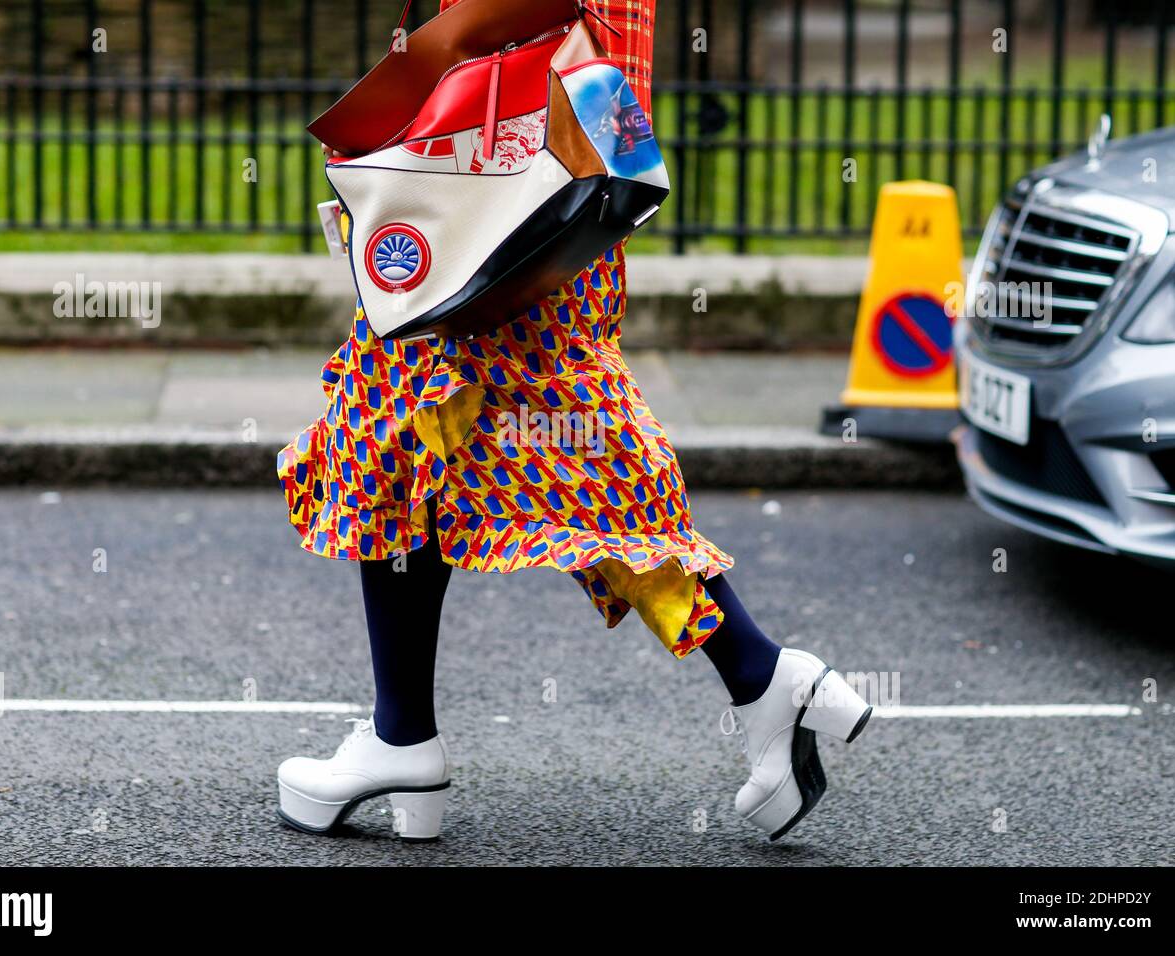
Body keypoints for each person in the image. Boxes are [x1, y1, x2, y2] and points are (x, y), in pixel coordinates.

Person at [274, 0, 870, 843]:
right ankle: (403, 735)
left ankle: (764, 674)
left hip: (510, 172)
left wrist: (420, 74)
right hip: (559, 162)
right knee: (424, 439)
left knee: (458, 429)